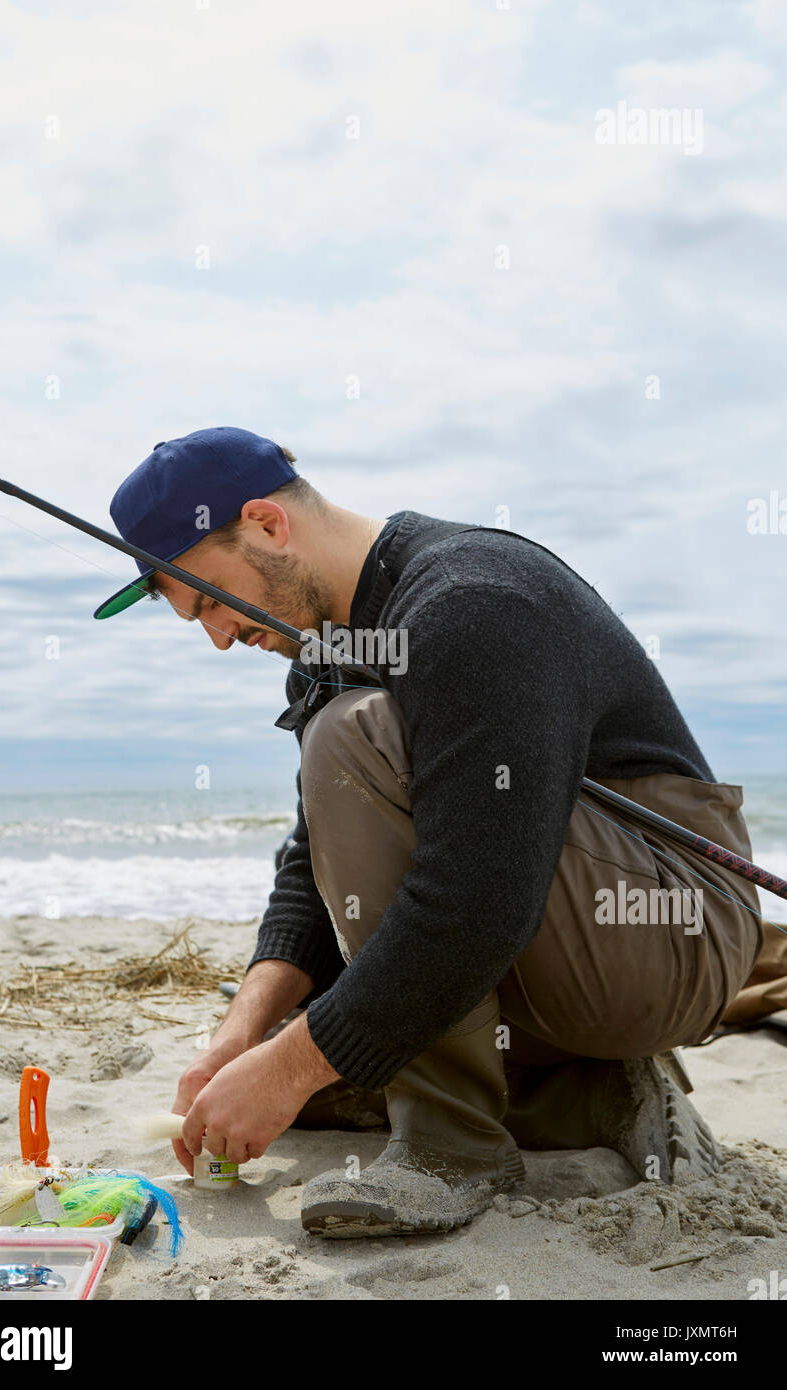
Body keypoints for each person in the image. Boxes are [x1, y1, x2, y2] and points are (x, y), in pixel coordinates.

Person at [95, 426, 768, 1238]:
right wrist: (238, 1041)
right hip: (556, 923)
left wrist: (292, 1065)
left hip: (673, 926)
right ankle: (585, 1093)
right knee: (303, 1047)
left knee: (350, 739)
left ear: (267, 524)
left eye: (211, 599)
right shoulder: (329, 646)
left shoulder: (471, 603)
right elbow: (314, 869)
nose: (217, 636)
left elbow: (475, 901)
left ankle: (452, 1149)